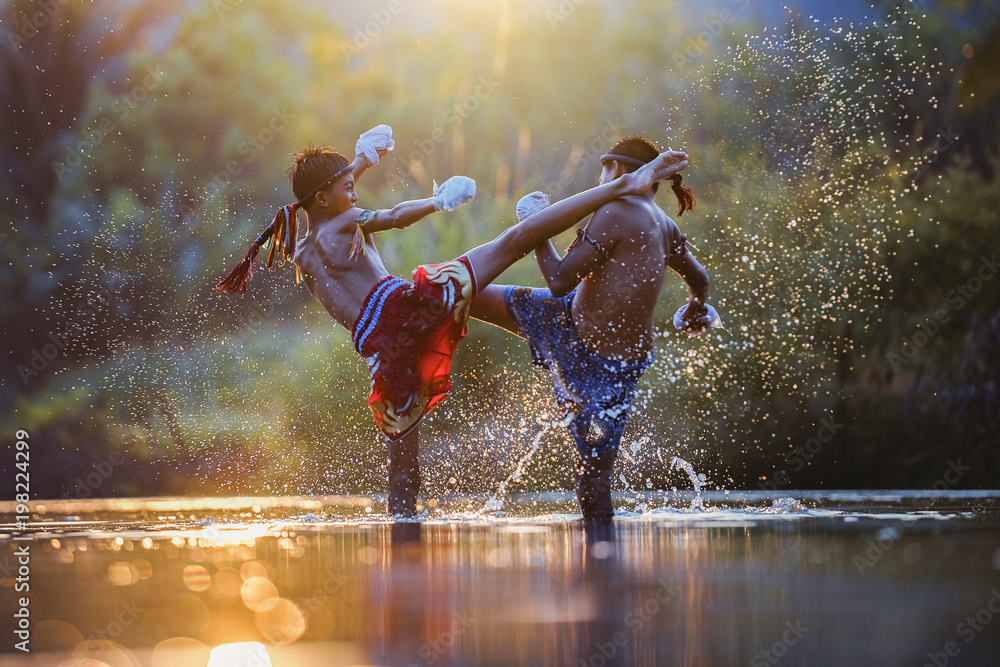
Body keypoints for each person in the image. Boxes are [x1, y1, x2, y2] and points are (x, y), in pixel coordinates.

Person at [217, 130, 690, 516]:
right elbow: (393, 217)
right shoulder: (345, 222)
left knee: (402, 469)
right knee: (517, 239)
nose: (354, 190)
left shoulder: (303, 249)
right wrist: (436, 202)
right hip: (409, 308)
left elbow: (324, 201)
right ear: (324, 198)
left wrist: (360, 162)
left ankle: (402, 531)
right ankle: (620, 186)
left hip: (383, 350)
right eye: (348, 186)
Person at [469, 135, 715, 520]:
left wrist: (536, 230)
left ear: (614, 169)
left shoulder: (615, 210)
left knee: (465, 295)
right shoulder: (666, 226)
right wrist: (696, 309)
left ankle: (601, 567)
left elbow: (558, 279)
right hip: (588, 338)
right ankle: (602, 566)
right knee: (595, 484)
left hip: (597, 363)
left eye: (603, 169)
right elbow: (700, 280)